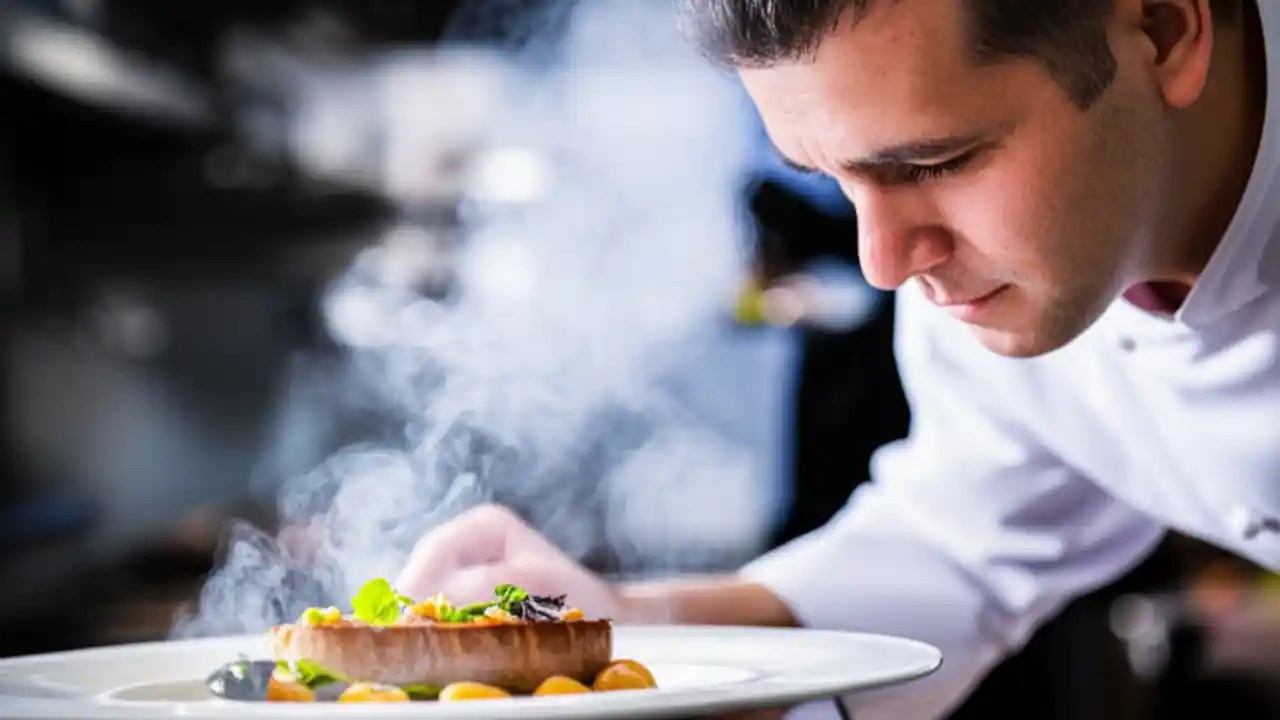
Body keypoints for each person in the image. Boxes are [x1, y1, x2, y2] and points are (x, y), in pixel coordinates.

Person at [395, 0, 1280, 717]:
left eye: (936, 162)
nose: (884, 262)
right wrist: (634, 638)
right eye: (834, 179)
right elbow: (961, 546)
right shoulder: (1004, 273)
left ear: (1164, 31)